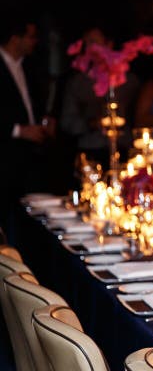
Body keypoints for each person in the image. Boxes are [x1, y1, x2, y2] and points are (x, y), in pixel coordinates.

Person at [0, 12, 54, 222]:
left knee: (29, 221)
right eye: (31, 37)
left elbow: (31, 105)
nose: (35, 42)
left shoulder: (27, 66)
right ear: (15, 38)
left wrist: (44, 121)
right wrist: (19, 130)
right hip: (4, 157)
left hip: (28, 159)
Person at [60, 26, 139, 166]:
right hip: (91, 150)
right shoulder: (78, 82)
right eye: (87, 43)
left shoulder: (129, 80)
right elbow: (67, 121)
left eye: (94, 42)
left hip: (125, 149)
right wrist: (91, 123)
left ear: (109, 44)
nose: (90, 48)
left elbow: (139, 116)